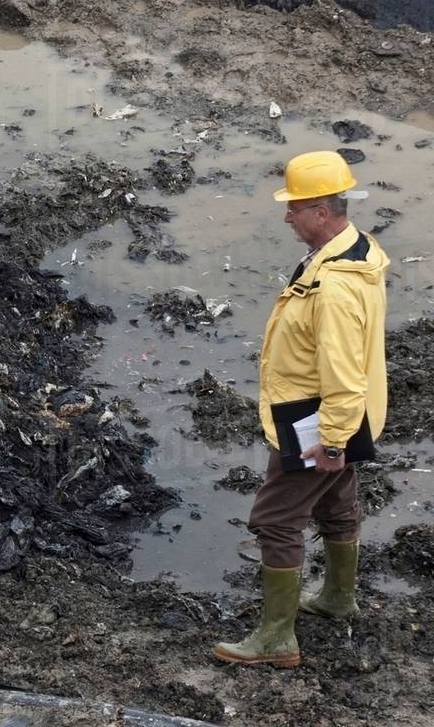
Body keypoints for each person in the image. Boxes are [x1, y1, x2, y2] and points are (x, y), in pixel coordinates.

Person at [213, 151, 389, 667]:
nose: (286, 215)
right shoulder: (356, 250)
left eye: (294, 206)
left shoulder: (334, 286)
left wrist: (332, 439)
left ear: (320, 210)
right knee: (336, 503)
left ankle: (275, 639)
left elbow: (341, 369)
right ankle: (337, 598)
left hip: (318, 419)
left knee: (275, 518)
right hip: (346, 414)